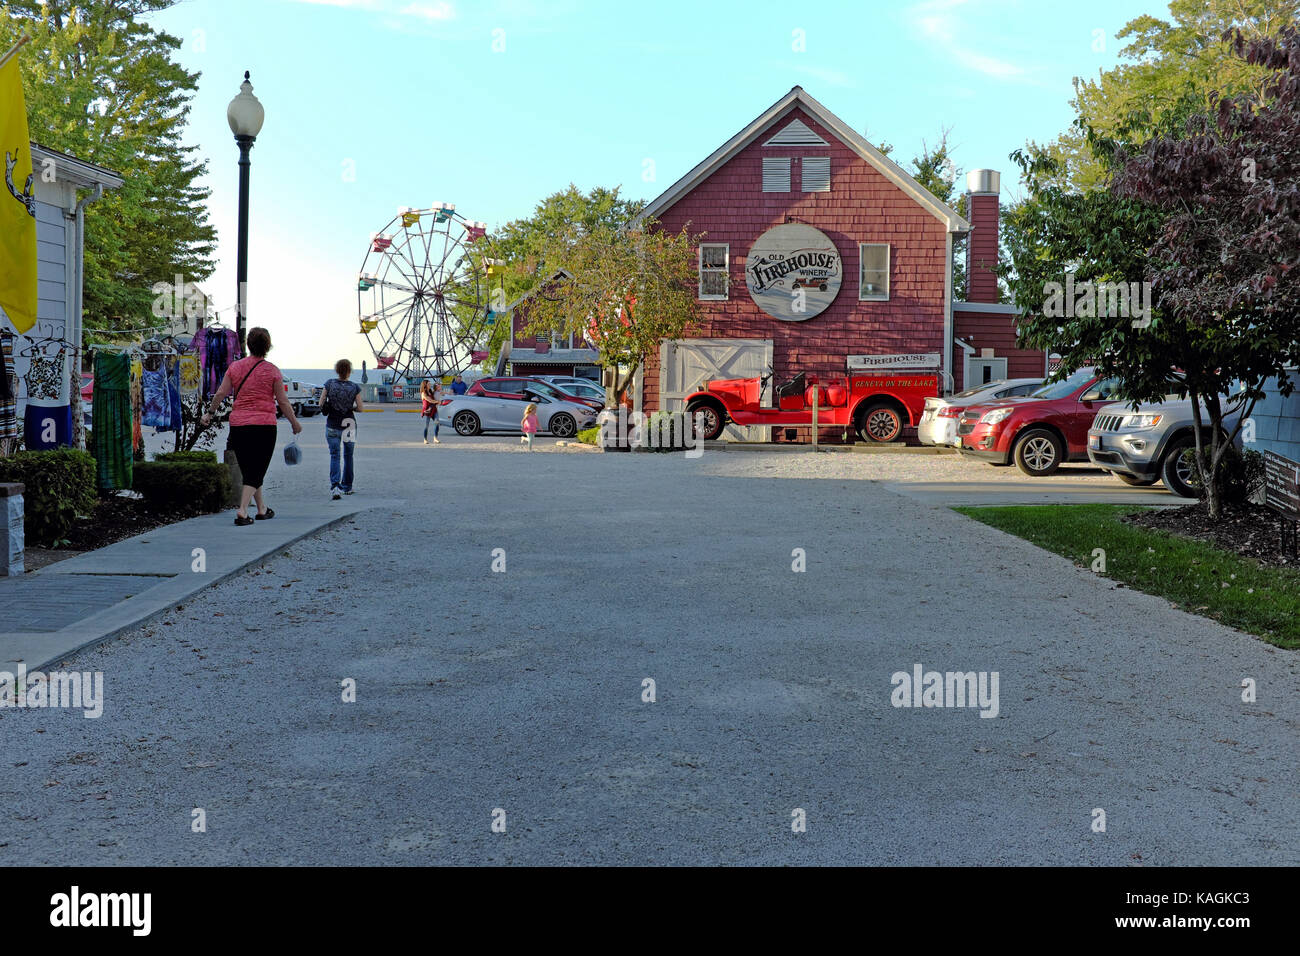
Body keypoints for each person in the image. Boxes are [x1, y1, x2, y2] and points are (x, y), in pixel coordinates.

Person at [202, 326, 301, 526]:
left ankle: (262, 509)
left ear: (248, 344)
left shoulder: (235, 368)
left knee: (251, 470)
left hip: (238, 425)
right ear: (267, 346)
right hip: (264, 426)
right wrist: (294, 422)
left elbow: (221, 393)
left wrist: (210, 413)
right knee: (257, 470)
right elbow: (282, 402)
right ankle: (243, 510)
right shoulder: (272, 370)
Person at [321, 359, 364, 499]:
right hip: (349, 424)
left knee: (335, 455)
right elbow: (360, 408)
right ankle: (347, 486)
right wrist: (350, 408)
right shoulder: (354, 387)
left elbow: (321, 403)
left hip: (333, 423)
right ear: (349, 371)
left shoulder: (329, 384)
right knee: (348, 456)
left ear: (337, 370)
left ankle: (335, 486)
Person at [420, 379, 442, 444]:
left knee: (437, 423)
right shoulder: (423, 393)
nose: (430, 385)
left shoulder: (431, 392)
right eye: (428, 384)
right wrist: (437, 401)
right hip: (427, 411)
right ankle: (425, 439)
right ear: (425, 385)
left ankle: (435, 438)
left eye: (430, 384)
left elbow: (436, 395)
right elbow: (430, 400)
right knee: (426, 426)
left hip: (434, 410)